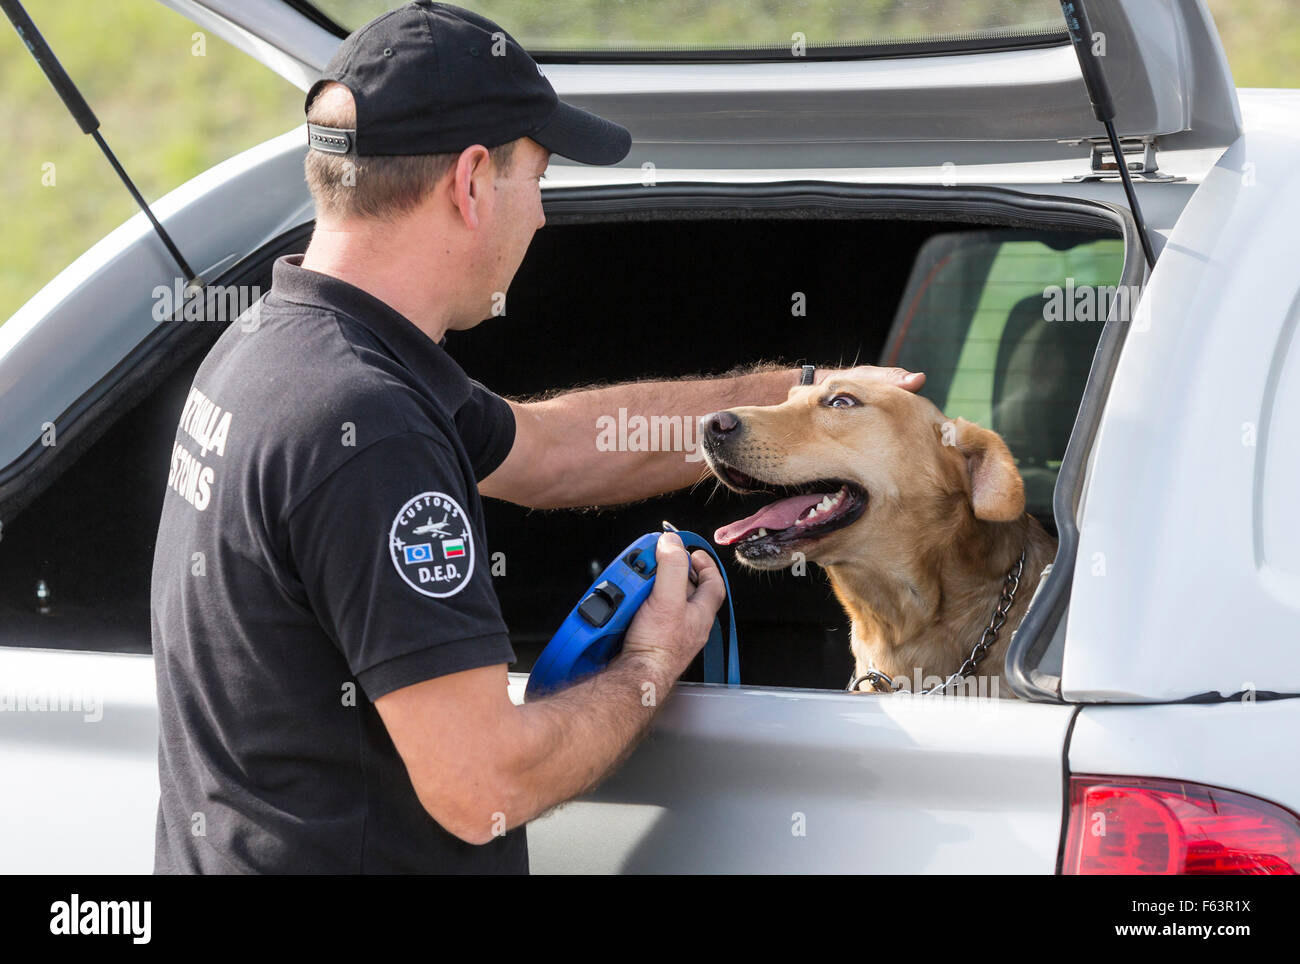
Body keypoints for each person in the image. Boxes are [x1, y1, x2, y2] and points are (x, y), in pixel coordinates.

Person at [150, 1, 923, 874]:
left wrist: (796, 398)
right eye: (538, 178)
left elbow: (552, 449)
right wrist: (653, 661)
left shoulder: (274, 347)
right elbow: (485, 784)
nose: (544, 217)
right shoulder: (371, 433)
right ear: (471, 181)